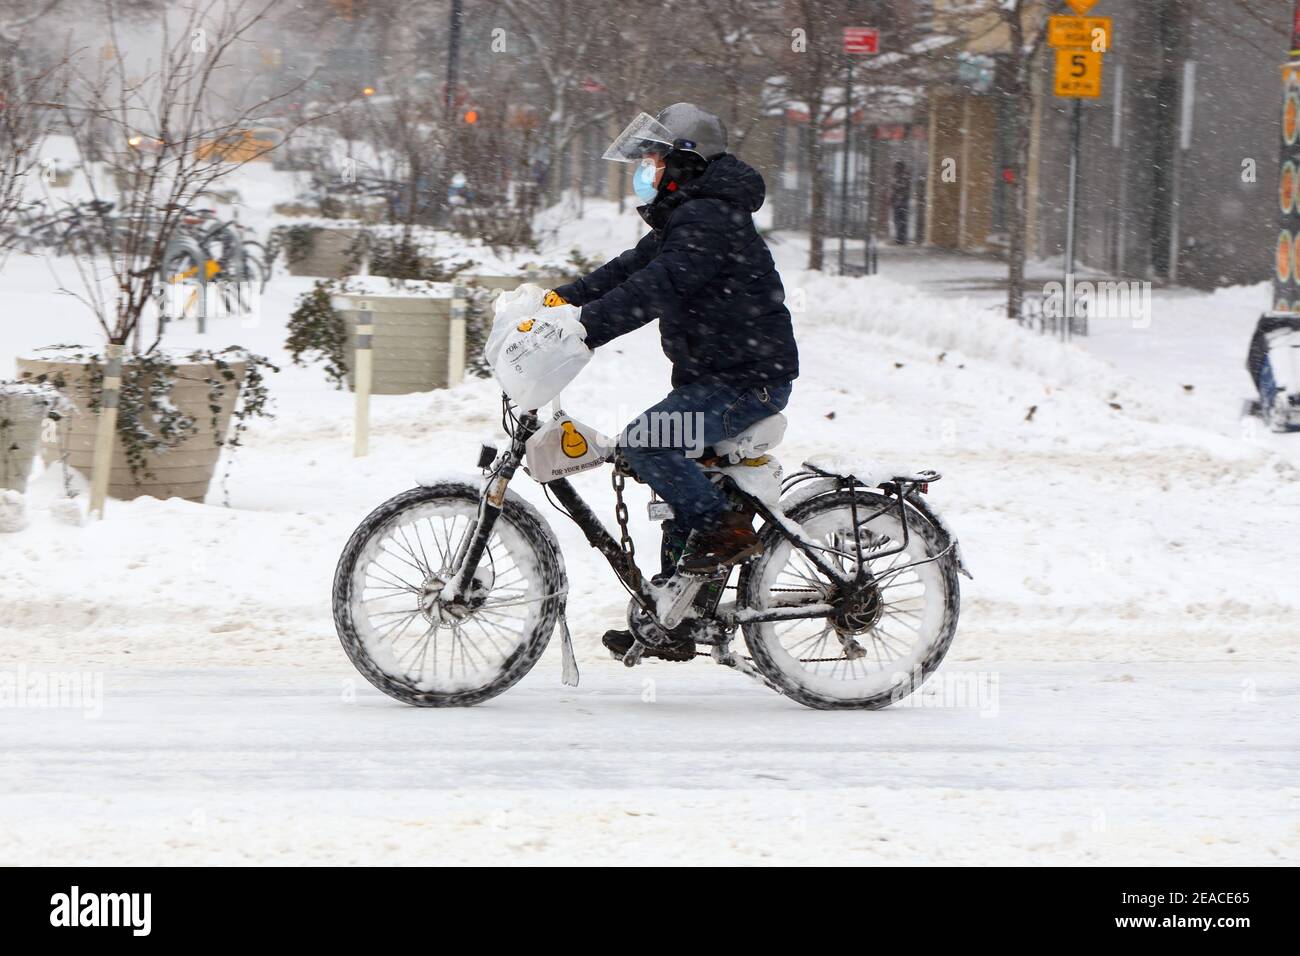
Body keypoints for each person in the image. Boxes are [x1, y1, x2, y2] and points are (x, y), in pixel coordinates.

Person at [543, 103, 799, 661]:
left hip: (746, 383)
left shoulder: (707, 220)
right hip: (720, 378)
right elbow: (626, 271)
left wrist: (584, 330)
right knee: (671, 462)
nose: (645, 171)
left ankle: (723, 534)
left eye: (653, 159)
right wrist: (554, 302)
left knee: (647, 441)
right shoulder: (690, 215)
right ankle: (679, 615)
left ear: (685, 159)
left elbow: (654, 289)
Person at [889, 160, 911, 245]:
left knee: (901, 221)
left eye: (897, 167)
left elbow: (902, 187)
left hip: (902, 202)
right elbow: (894, 188)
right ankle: (899, 238)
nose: (895, 169)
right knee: (897, 221)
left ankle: (901, 239)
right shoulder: (896, 176)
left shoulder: (904, 176)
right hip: (898, 202)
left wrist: (895, 186)